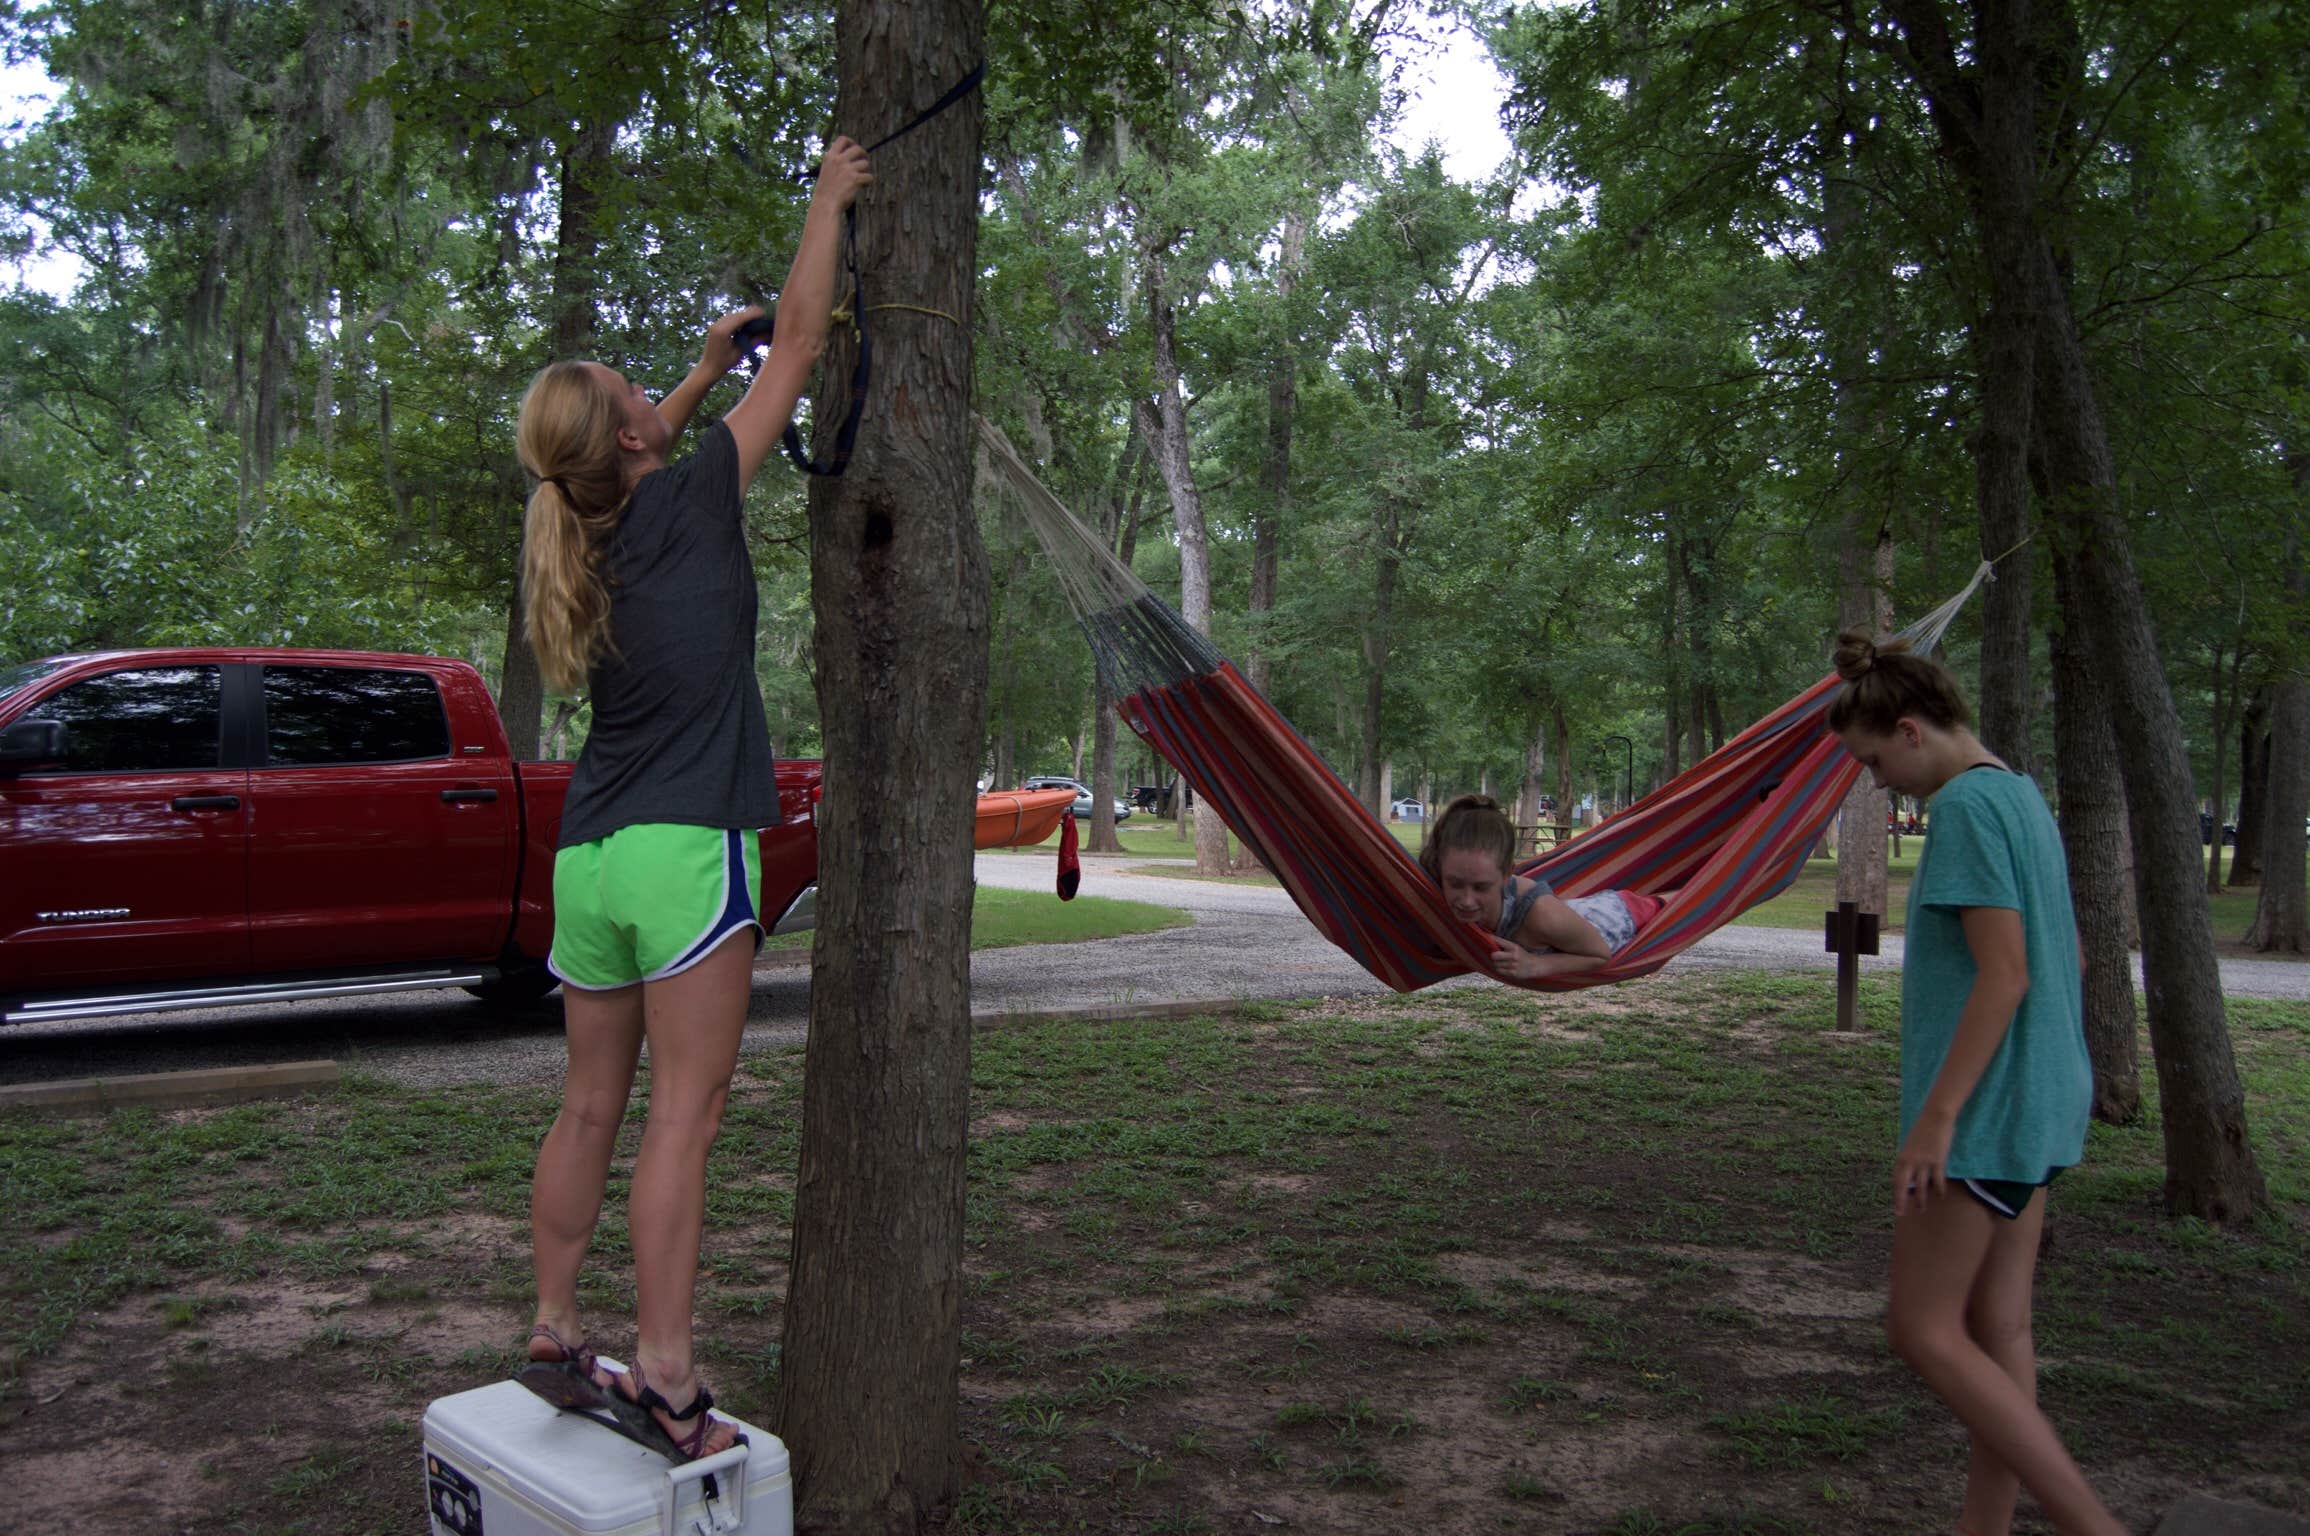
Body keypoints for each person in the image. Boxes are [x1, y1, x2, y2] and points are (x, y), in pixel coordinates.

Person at [508, 136, 873, 1464]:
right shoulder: (698, 495)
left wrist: (696, 370)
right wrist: (825, 203)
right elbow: (801, 346)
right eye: (627, 387)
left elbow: (644, 427)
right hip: (679, 852)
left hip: (591, 861)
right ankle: (665, 1376)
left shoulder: (584, 535)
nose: (643, 391)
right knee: (686, 1117)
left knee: (588, 1108)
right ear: (631, 434)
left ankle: (555, 1322)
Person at [1829, 631, 2124, 1536]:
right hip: (2041, 1101)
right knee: (2002, 1330)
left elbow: (2007, 975)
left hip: (1984, 1116)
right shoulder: (2023, 797)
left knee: (1921, 1331)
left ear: (1911, 732)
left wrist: (1936, 1120)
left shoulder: (1962, 809)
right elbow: (2065, 953)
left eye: (1874, 763)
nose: (1878, 784)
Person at [1417, 794, 1662, 981]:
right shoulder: (1436, 883)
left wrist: (1535, 965)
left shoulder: (1542, 915)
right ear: (1442, 871)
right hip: (1576, 914)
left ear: (1506, 875)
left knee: (1684, 900)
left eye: (1481, 888)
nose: (1467, 900)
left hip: (1620, 917)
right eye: (1455, 884)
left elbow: (1599, 955)